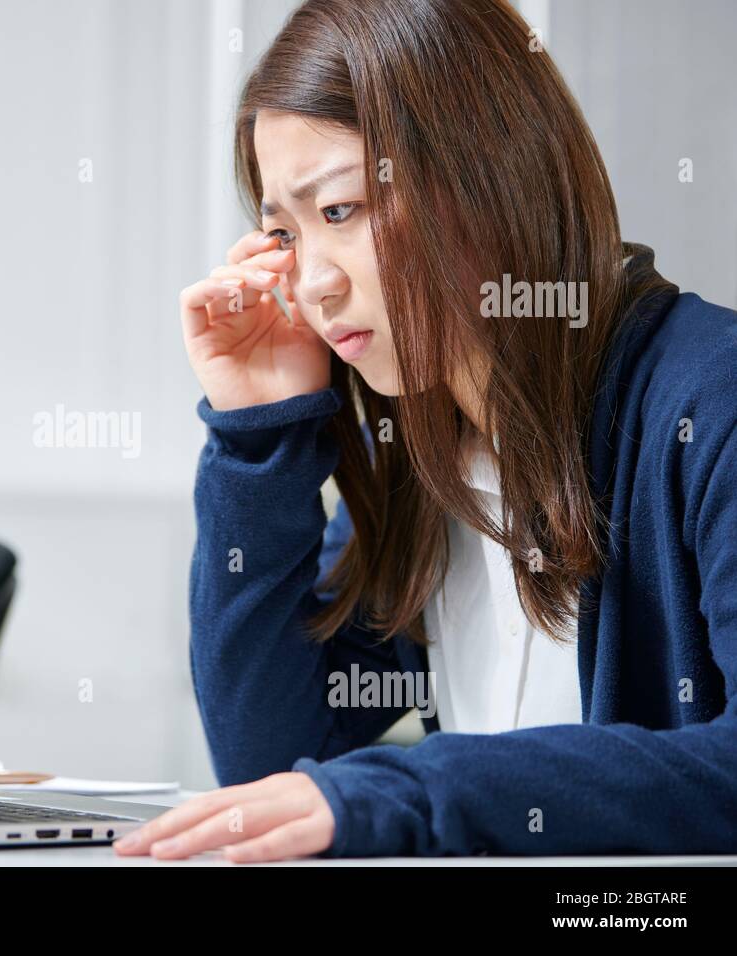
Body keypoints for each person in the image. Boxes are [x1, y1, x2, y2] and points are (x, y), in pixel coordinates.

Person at [116, 0, 737, 861]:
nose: (315, 284)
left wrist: (414, 790)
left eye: (339, 210)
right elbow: (274, 769)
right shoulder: (415, 444)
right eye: (281, 233)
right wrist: (258, 433)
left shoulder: (713, 398)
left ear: (491, 172)